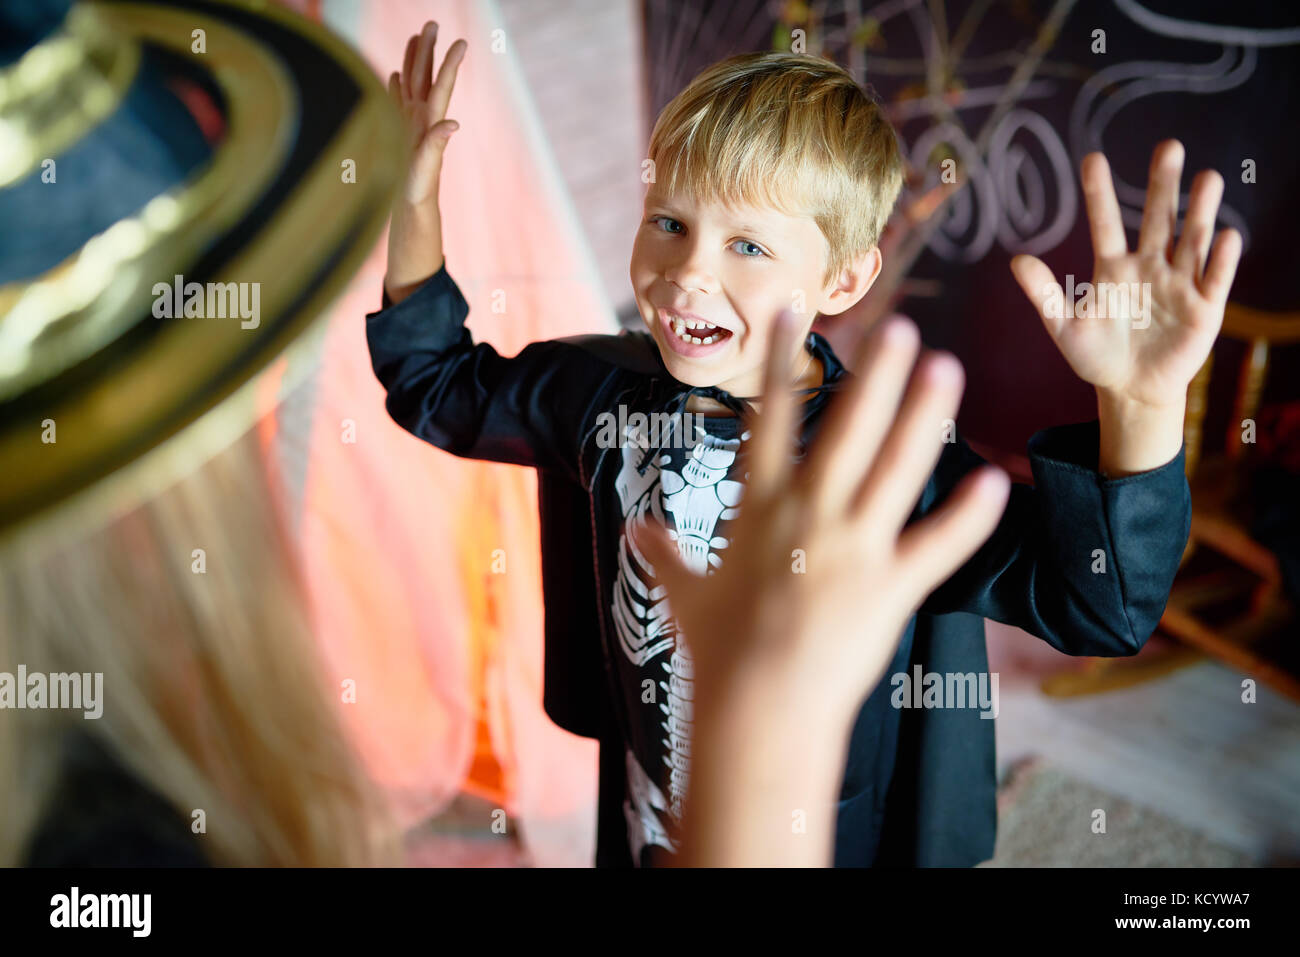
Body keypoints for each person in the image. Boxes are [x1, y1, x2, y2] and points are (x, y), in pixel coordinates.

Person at [368, 23, 1239, 868]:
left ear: (844, 277)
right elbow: (433, 385)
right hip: (644, 814)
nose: (686, 274)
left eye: (747, 243)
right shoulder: (595, 396)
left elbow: (1101, 607)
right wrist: (408, 205)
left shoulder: (887, 463)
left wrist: (1142, 406)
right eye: (668, 221)